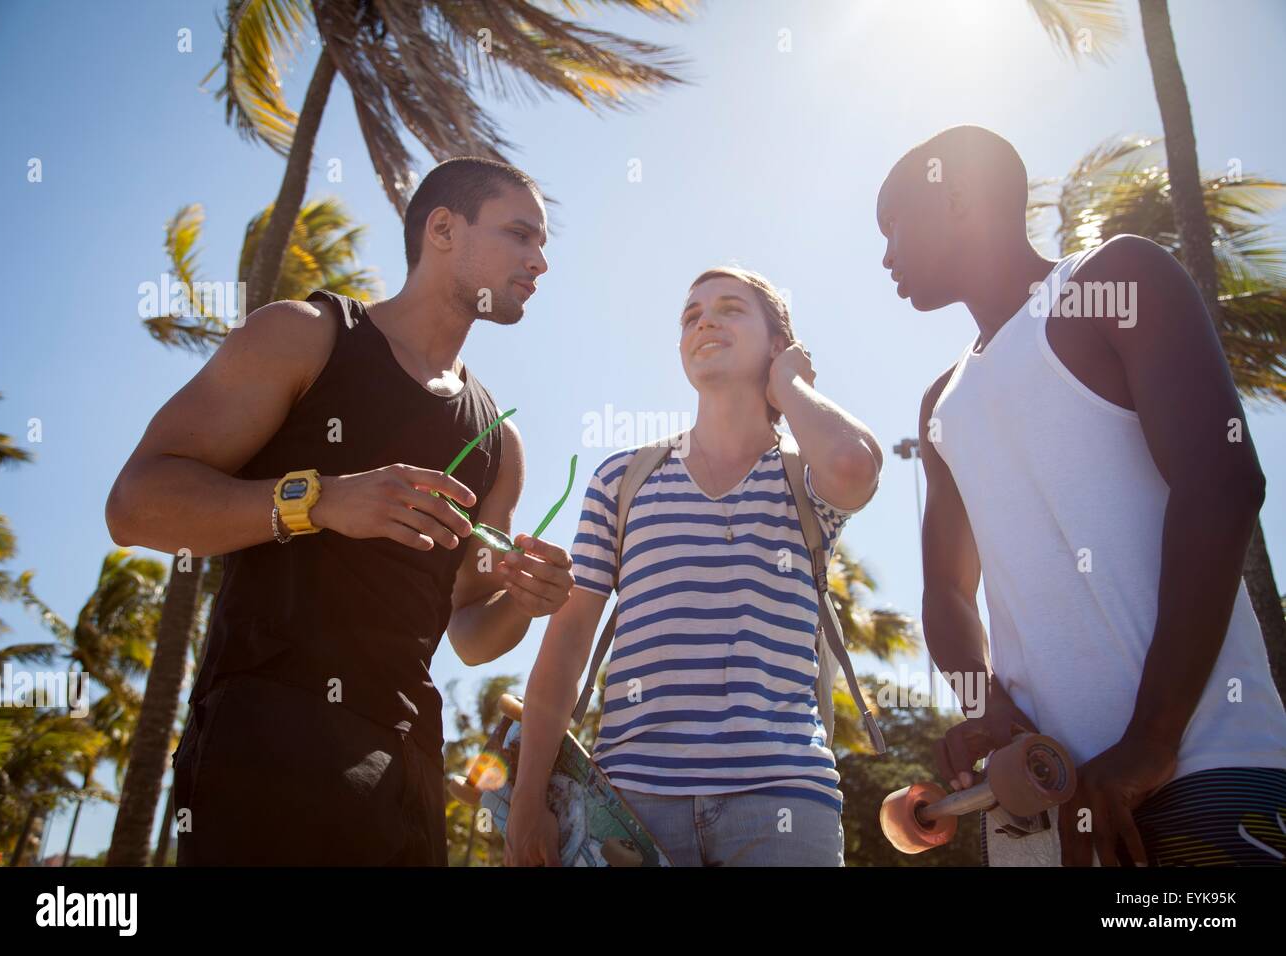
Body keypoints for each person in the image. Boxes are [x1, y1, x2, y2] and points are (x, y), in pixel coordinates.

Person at [105, 157, 575, 865]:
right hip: (268, 738)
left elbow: (470, 632)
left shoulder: (497, 443)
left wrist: (524, 601)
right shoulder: (304, 337)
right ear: (443, 229)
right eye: (520, 235)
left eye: (542, 244)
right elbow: (134, 506)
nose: (540, 261)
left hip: (409, 764)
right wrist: (320, 500)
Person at [877, 125, 1286, 866]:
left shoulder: (1116, 281)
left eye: (894, 225)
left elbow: (1222, 482)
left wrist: (1150, 744)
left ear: (960, 196)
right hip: (1052, 815)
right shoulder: (942, 405)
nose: (886, 255)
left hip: (1205, 771)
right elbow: (946, 590)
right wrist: (990, 708)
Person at [506, 266, 882, 867]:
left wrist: (788, 383)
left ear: (779, 344)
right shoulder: (622, 480)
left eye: (731, 308)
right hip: (629, 806)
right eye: (691, 315)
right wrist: (528, 801)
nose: (704, 320)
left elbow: (855, 468)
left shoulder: (804, 475)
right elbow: (566, 644)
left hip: (783, 799)